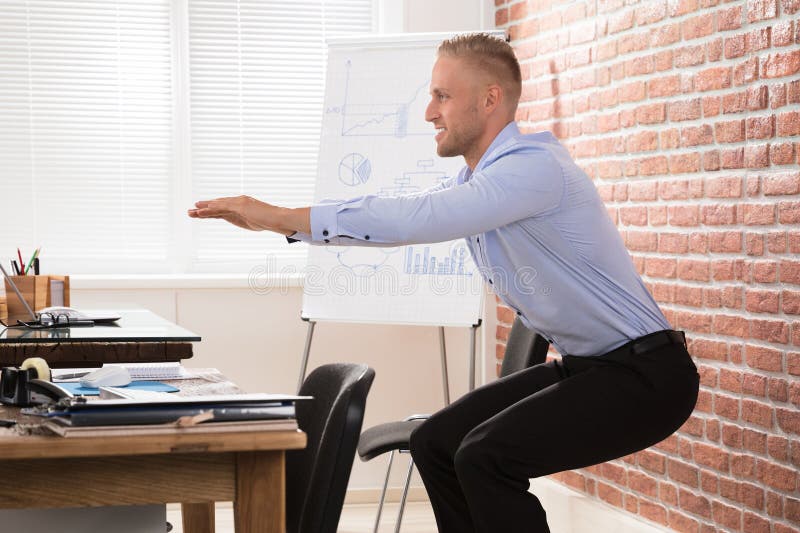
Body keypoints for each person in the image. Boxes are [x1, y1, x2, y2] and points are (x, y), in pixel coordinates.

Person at [189, 33, 699, 533]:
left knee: (484, 456)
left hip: (648, 377)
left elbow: (414, 218)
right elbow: (397, 217)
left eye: (442, 96)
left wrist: (280, 215)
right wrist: (285, 226)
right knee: (435, 443)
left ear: (490, 99)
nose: (429, 113)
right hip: (588, 368)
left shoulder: (533, 169)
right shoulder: (477, 182)